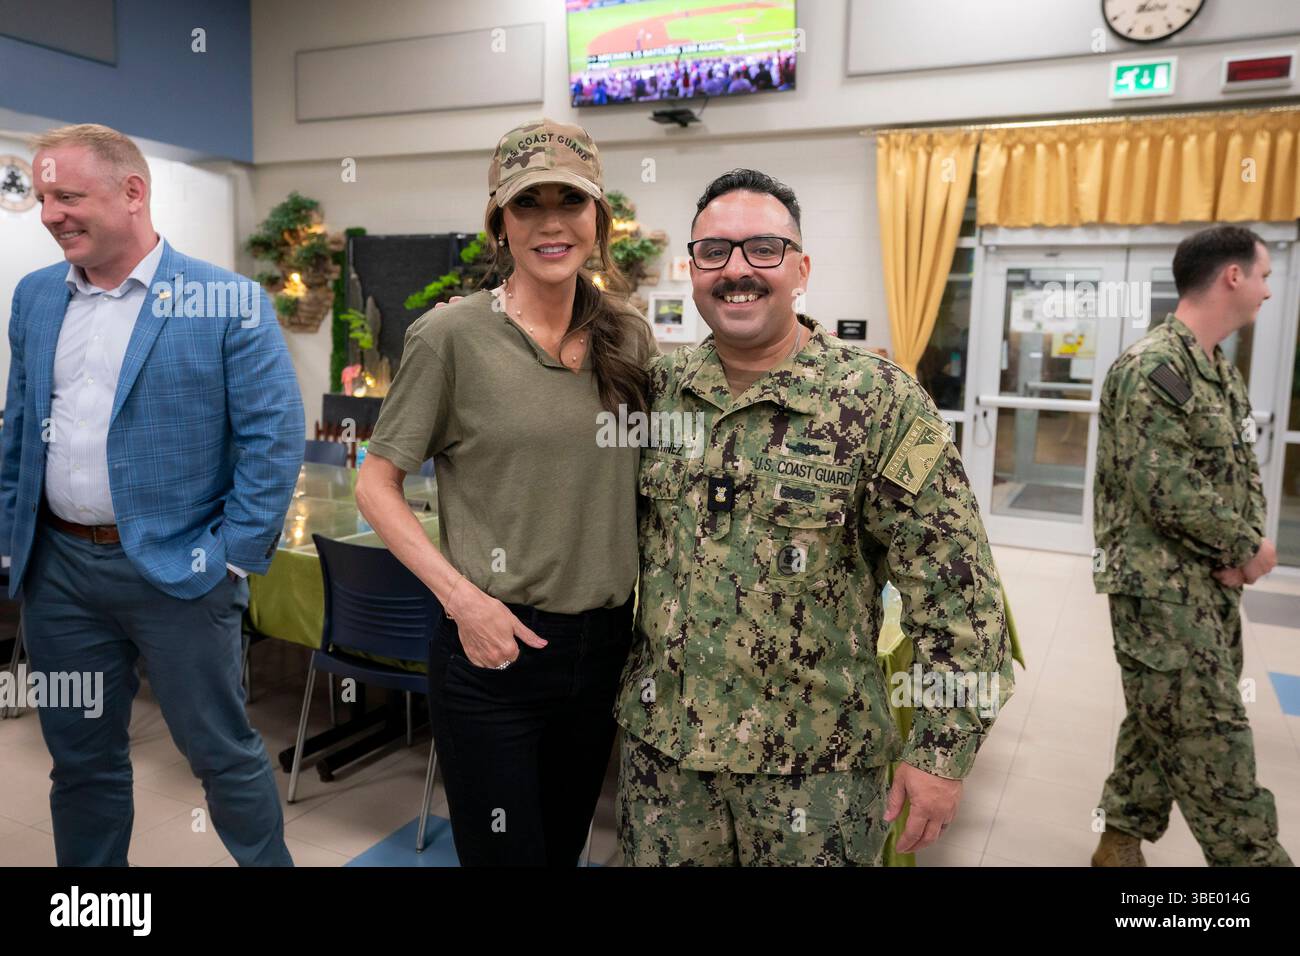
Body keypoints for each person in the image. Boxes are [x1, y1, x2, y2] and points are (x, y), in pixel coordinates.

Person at [615, 169, 1014, 866]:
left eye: (763, 249)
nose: (737, 270)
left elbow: (959, 594)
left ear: (801, 268)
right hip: (666, 767)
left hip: (817, 772)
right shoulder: (658, 394)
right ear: (692, 269)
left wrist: (942, 754)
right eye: (714, 252)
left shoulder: (879, 402)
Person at [0, 123, 303, 866]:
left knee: (222, 757)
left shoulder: (227, 301)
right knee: (80, 760)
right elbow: (18, 424)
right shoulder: (36, 297)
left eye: (69, 196)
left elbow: (275, 437)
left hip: (181, 574)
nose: (50, 214)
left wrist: (231, 557)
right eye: (43, 198)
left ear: (133, 191)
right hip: (60, 575)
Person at [356, 118, 654, 867]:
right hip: (494, 647)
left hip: (604, 647)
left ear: (598, 220)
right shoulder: (450, 337)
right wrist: (464, 601)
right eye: (528, 205)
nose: (551, 223)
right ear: (499, 223)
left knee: (562, 850)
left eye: (571, 202)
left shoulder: (629, 334)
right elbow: (376, 482)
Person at [1091, 224, 1293, 867]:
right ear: (1232, 276)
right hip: (1160, 592)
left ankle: (1119, 840)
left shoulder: (1214, 369)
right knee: (1213, 738)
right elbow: (1164, 483)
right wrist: (1244, 545)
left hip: (1202, 581)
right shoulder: (1153, 366)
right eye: (1262, 276)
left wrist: (1242, 550)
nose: (1266, 291)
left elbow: (1233, 469)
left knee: (1163, 717)